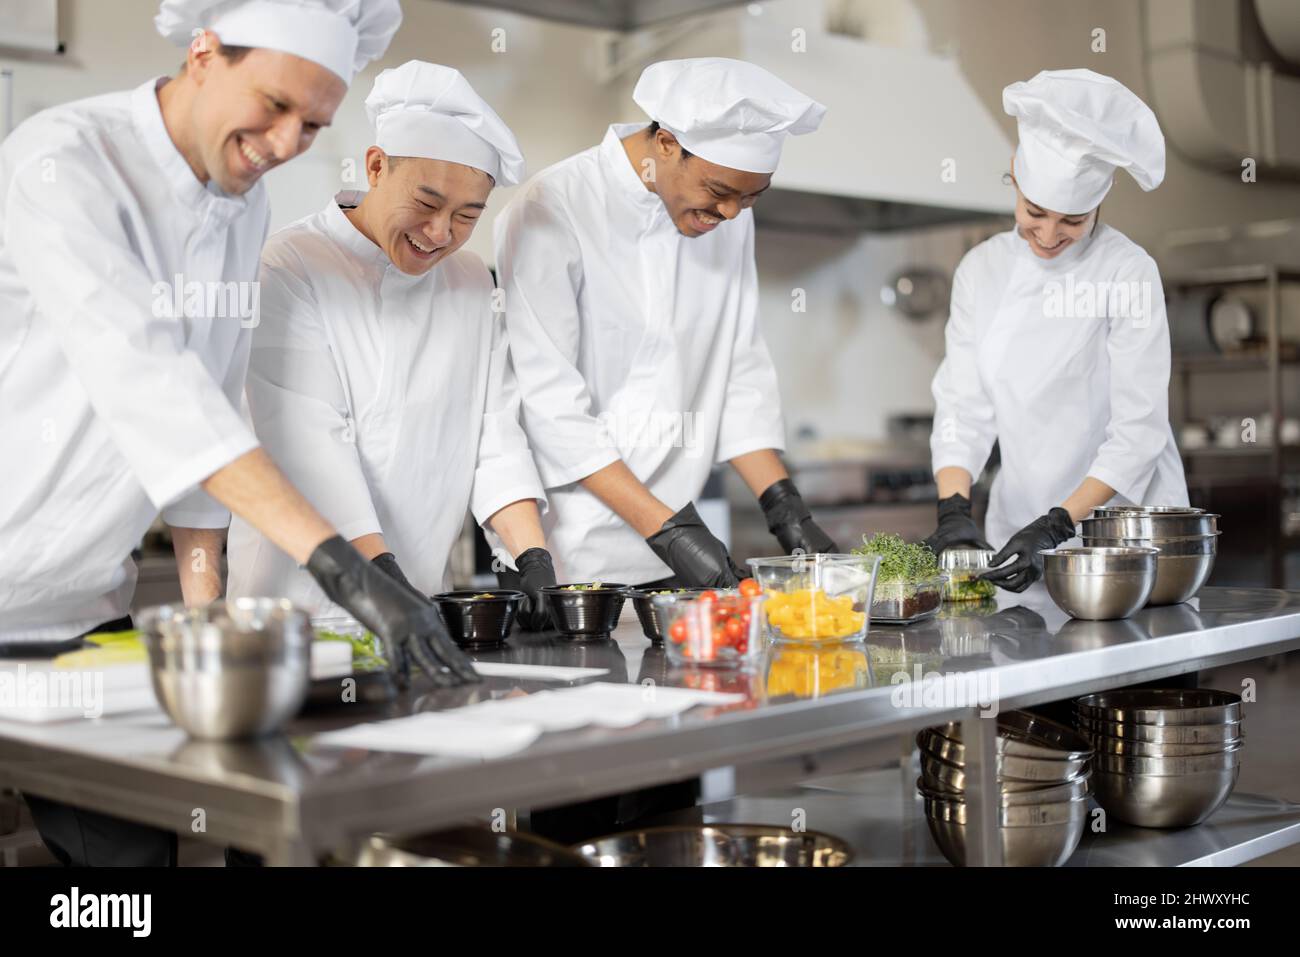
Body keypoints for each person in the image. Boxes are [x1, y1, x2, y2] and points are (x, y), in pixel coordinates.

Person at [0, 0, 478, 868]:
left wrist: (206, 607)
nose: (288, 141)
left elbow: (212, 402)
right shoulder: (61, 162)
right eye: (275, 105)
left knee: (128, 870)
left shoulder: (240, 207)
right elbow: (155, 390)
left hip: (76, 613)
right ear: (204, 53)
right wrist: (353, 573)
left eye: (314, 123)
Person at [226, 60, 554, 625]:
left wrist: (532, 555)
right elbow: (310, 447)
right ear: (376, 166)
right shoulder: (291, 266)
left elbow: (494, 430)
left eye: (467, 216)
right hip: (294, 609)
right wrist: (383, 579)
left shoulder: (471, 281)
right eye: (426, 205)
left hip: (416, 605)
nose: (440, 234)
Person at [494, 57, 838, 593]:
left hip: (677, 551)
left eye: (752, 197)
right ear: (667, 144)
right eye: (720, 190)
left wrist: (786, 511)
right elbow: (550, 405)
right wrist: (668, 530)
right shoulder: (553, 208)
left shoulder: (726, 221)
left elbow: (739, 369)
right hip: (571, 559)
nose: (730, 213)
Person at [925, 68, 1188, 592]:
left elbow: (1139, 430)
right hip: (1017, 531)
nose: (1047, 235)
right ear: (1015, 180)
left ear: (1098, 205)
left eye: (1072, 220)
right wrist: (954, 508)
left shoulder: (1127, 270)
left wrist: (1058, 525)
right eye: (1034, 212)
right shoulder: (982, 270)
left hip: (1122, 537)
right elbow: (963, 406)